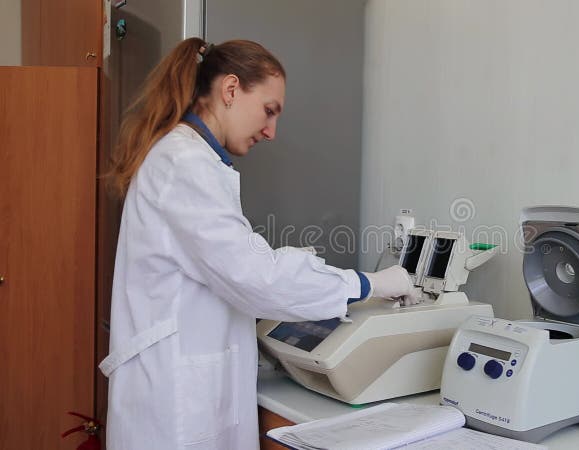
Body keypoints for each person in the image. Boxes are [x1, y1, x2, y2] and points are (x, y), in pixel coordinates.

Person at [100, 38, 417, 450]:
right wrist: (370, 284)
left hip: (185, 391)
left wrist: (299, 270)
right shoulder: (184, 164)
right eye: (269, 111)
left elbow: (229, 266)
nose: (271, 131)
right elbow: (256, 278)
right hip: (172, 410)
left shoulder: (194, 161)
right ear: (230, 90)